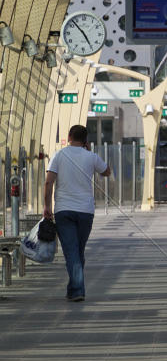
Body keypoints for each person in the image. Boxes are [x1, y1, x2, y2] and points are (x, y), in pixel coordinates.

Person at [43, 125, 109, 302]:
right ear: (86, 140)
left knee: (72, 251)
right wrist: (89, 153)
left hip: (64, 210)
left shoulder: (59, 155)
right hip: (86, 211)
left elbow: (48, 182)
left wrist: (47, 206)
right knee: (77, 251)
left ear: (69, 136)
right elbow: (107, 171)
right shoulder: (91, 156)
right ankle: (74, 289)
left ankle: (77, 289)